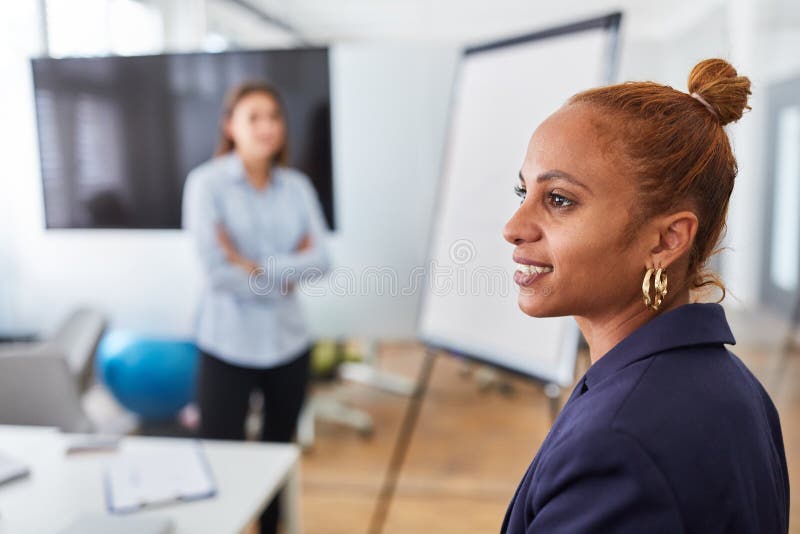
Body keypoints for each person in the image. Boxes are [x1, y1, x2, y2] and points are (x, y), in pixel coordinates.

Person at [501, 59, 789, 533]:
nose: (513, 228)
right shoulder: (737, 387)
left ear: (666, 240)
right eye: (523, 191)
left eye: (559, 199)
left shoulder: (618, 444)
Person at [182, 81, 330, 534]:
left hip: (288, 344)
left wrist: (251, 265)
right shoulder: (206, 184)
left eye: (275, 116)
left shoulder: (297, 186)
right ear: (230, 126)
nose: (267, 127)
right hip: (225, 345)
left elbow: (322, 261)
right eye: (254, 117)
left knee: (276, 460)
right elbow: (217, 274)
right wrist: (284, 275)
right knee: (220, 463)